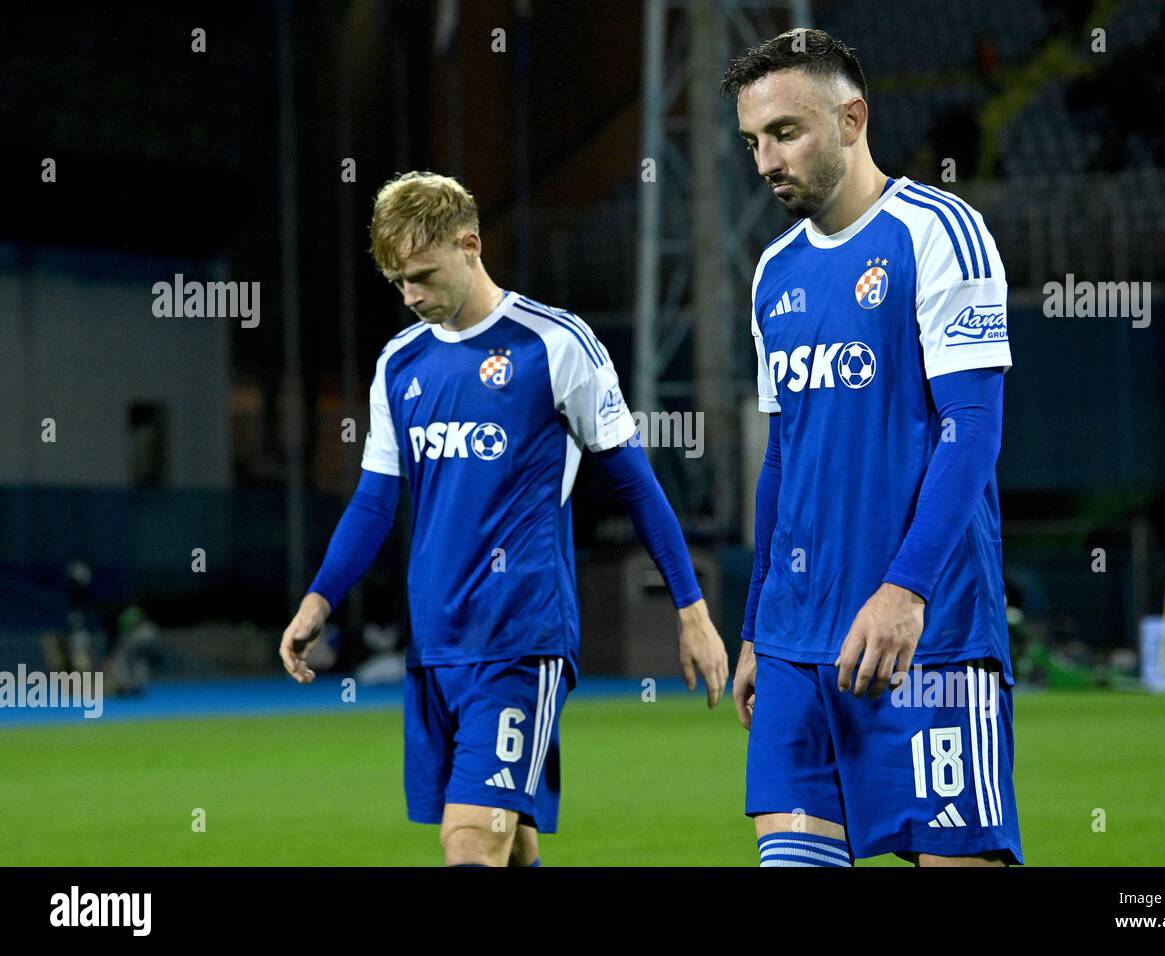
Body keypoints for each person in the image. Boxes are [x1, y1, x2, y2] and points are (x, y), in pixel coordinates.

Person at [279, 172, 728, 867]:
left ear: (471, 244)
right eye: (398, 281)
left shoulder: (554, 345)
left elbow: (636, 484)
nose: (410, 296)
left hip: (520, 637)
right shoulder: (400, 364)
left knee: (468, 838)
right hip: (436, 643)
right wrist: (319, 599)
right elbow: (374, 501)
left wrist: (691, 610)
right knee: (512, 841)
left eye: (423, 276)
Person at [724, 29, 1022, 866]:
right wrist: (755, 628)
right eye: (753, 141)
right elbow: (781, 464)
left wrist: (905, 590)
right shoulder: (773, 272)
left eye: (786, 132)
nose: (765, 161)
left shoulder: (939, 232)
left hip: (928, 635)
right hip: (794, 644)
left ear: (853, 118)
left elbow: (972, 431)